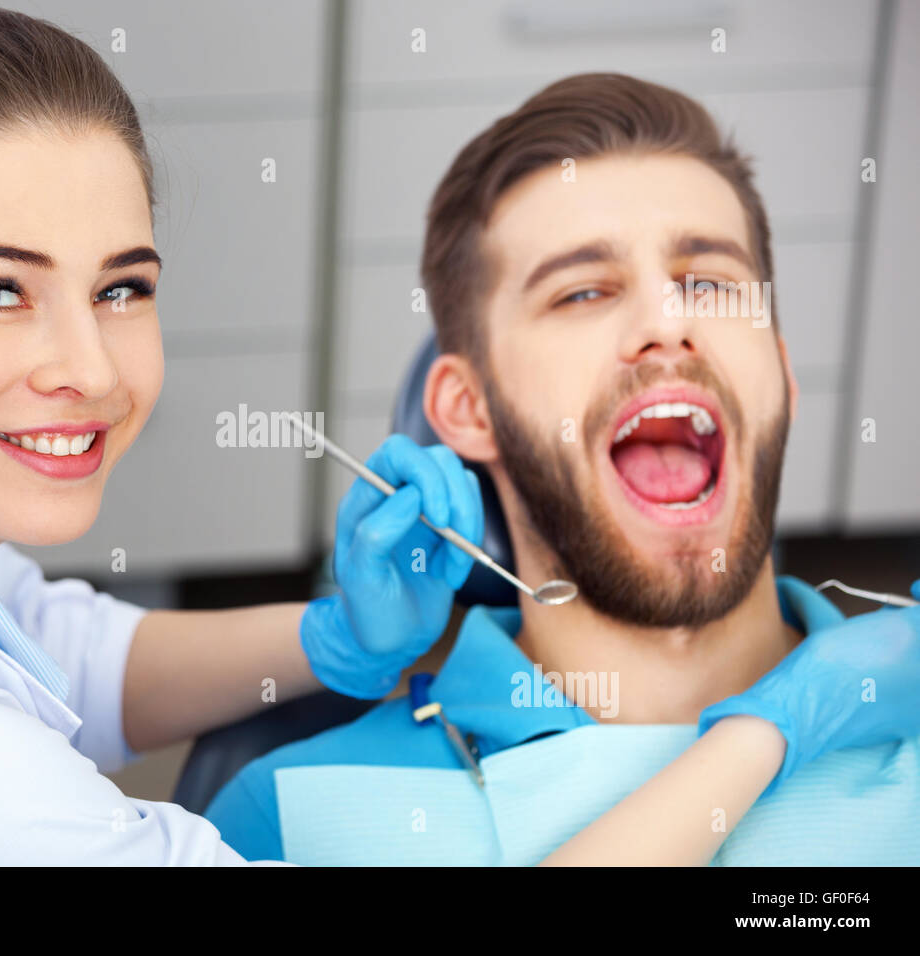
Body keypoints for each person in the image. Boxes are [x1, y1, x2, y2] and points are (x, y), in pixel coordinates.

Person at [203, 72, 920, 866]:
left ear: (781, 374)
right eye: (583, 292)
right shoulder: (294, 819)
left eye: (709, 283)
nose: (666, 322)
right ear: (470, 408)